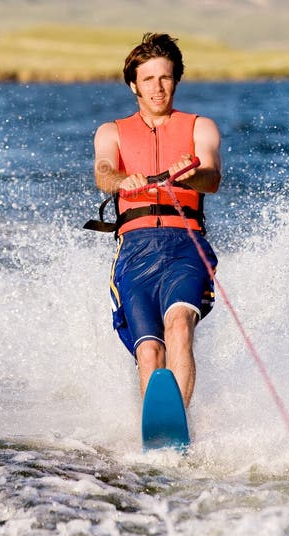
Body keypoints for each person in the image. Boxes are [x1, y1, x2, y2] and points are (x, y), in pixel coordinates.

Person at [90, 33, 221, 408]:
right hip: (135, 249)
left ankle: (178, 429)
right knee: (149, 351)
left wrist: (189, 177)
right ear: (134, 84)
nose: (158, 87)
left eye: (165, 77)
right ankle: (156, 435)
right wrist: (120, 179)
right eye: (148, 79)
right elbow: (103, 171)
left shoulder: (200, 127)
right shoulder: (111, 131)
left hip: (186, 246)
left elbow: (211, 177)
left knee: (179, 327)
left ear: (176, 80)